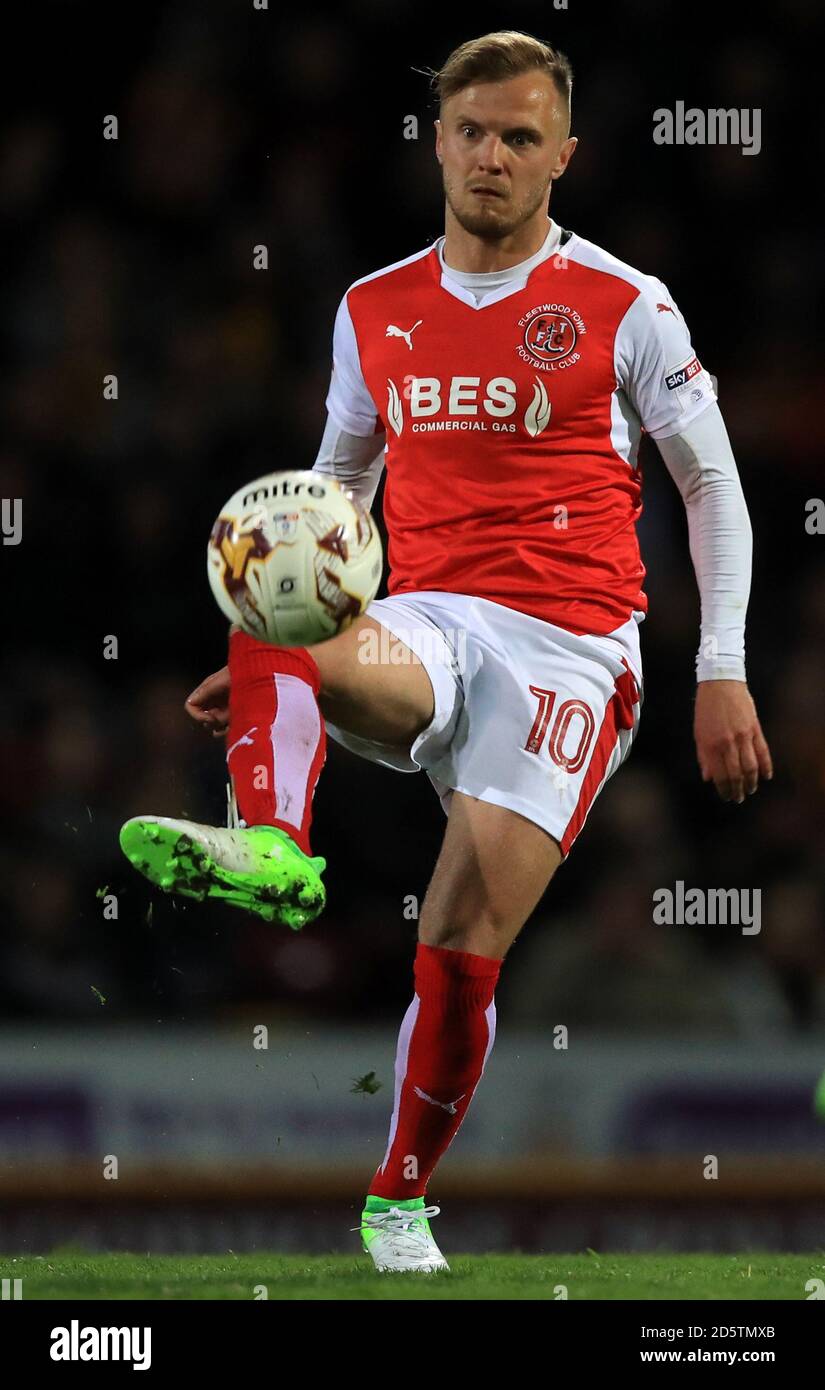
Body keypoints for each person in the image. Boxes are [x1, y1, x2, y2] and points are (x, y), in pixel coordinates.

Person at [120, 30, 773, 1273]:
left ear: (563, 156)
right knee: (270, 590)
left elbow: (715, 490)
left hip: (574, 648)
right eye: (472, 131)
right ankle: (270, 847)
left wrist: (722, 667)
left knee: (462, 941)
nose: (492, 156)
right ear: (438, 140)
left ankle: (397, 1199)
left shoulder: (628, 304)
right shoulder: (373, 307)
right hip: (427, 616)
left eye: (521, 137)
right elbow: (329, 491)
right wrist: (280, 656)